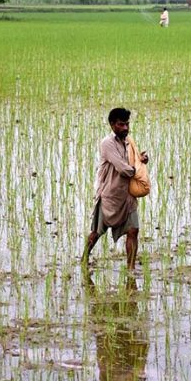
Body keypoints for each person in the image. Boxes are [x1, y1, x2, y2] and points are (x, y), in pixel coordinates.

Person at [82, 108, 149, 270]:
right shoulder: (107, 143)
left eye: (127, 124)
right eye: (121, 124)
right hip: (110, 196)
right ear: (112, 125)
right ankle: (84, 259)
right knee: (96, 232)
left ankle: (130, 268)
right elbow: (123, 169)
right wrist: (138, 169)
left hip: (127, 196)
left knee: (133, 231)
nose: (125, 128)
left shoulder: (128, 142)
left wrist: (141, 159)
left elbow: (132, 160)